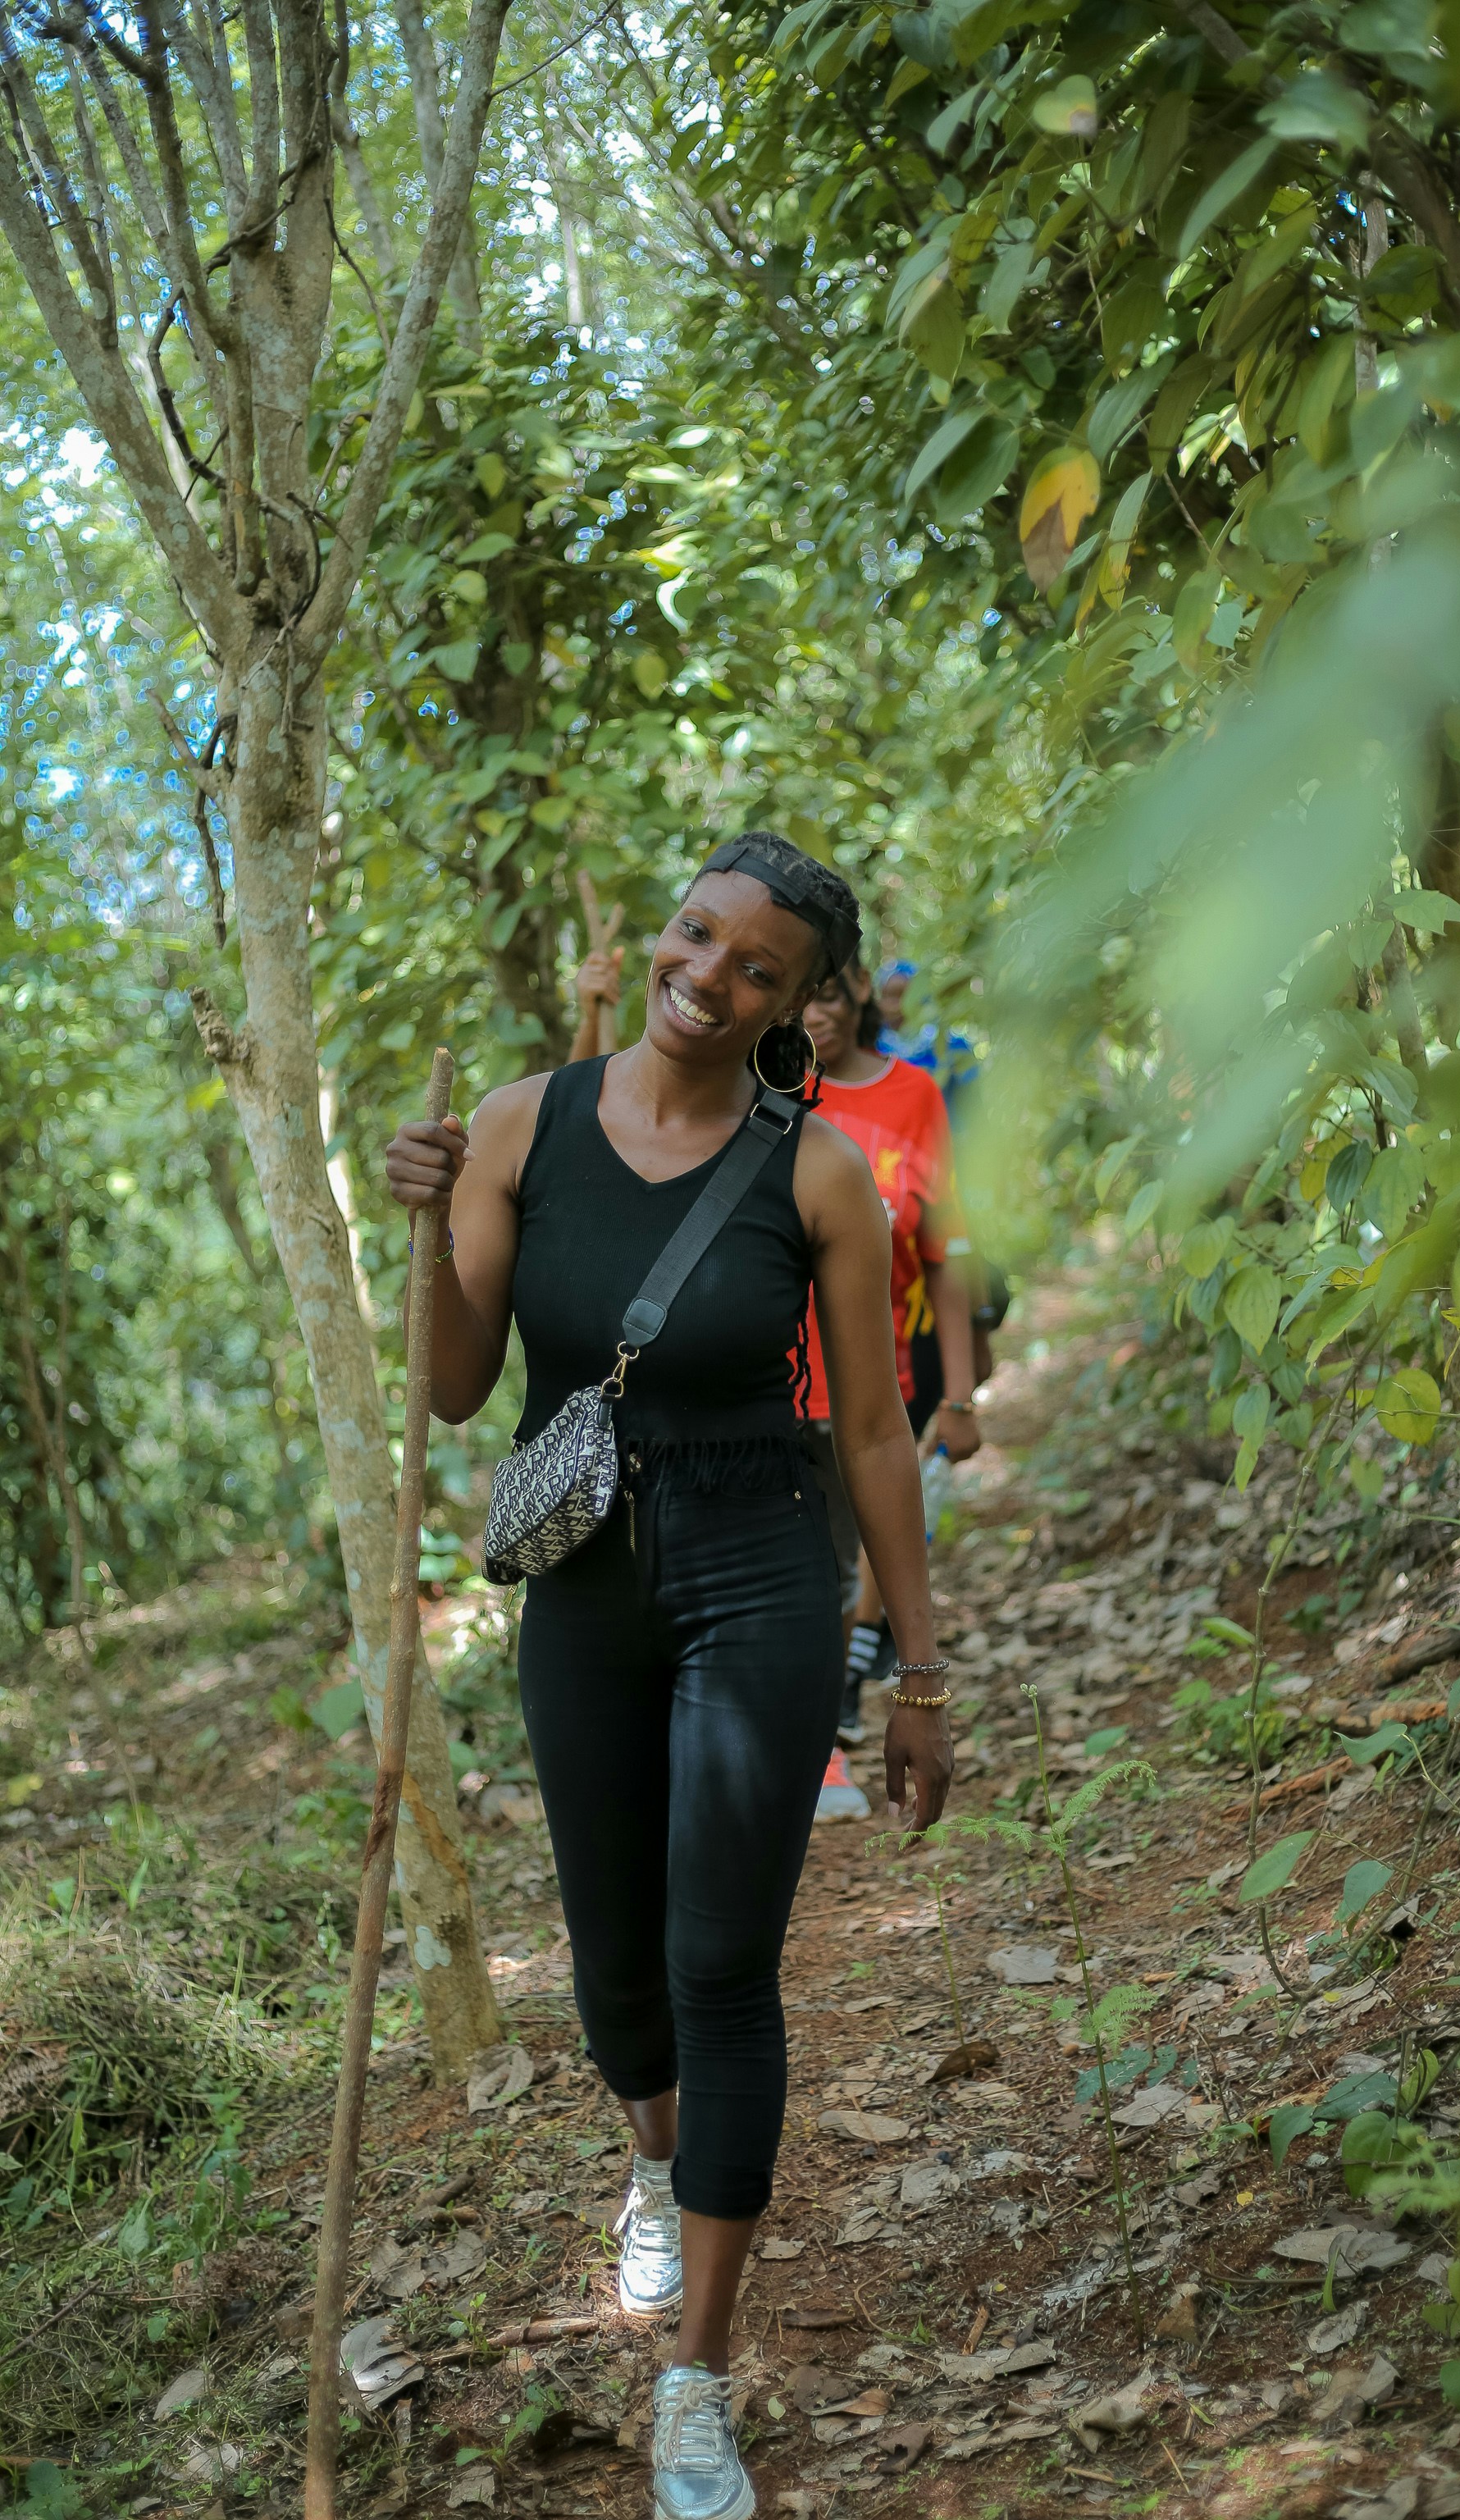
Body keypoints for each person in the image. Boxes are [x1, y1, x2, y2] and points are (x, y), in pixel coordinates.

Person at [385, 834, 953, 2520]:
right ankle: (653, 2157)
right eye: (696, 935)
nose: (708, 977)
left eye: (756, 967)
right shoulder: (519, 1125)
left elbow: (869, 1429)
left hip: (762, 1565)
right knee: (615, 1973)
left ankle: (697, 2380)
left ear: (803, 1002)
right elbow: (451, 1387)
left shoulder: (817, 1172)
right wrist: (424, 1224)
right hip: (585, 1583)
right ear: (663, 928)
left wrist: (916, 1670)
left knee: (723, 1962)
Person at [797, 956, 979, 1811]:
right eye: (796, 1001)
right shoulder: (769, 1092)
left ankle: (829, 1730)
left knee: (849, 1565)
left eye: (826, 995)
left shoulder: (913, 1096)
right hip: (765, 1381)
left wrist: (961, 1393)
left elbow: (946, 1256)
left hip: (877, 1374)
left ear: (858, 993)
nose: (811, 1017)